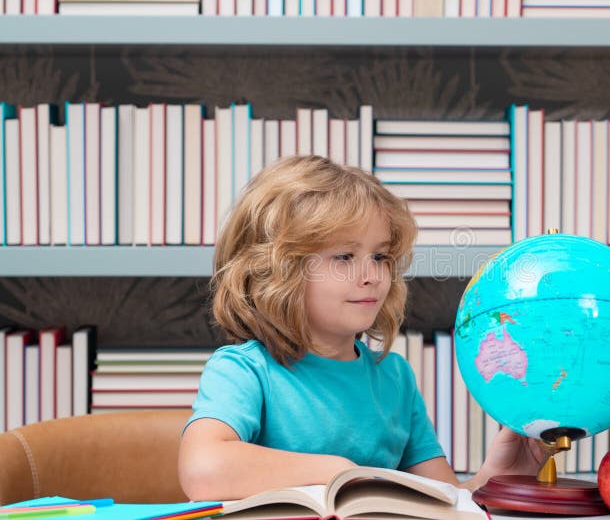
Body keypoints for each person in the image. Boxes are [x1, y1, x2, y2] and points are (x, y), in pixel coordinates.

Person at [179, 155, 550, 501]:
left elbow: (441, 502)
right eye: (344, 256)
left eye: (380, 256)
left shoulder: (395, 377)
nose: (371, 276)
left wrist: (492, 478)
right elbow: (203, 469)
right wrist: (338, 473)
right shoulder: (244, 370)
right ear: (276, 271)